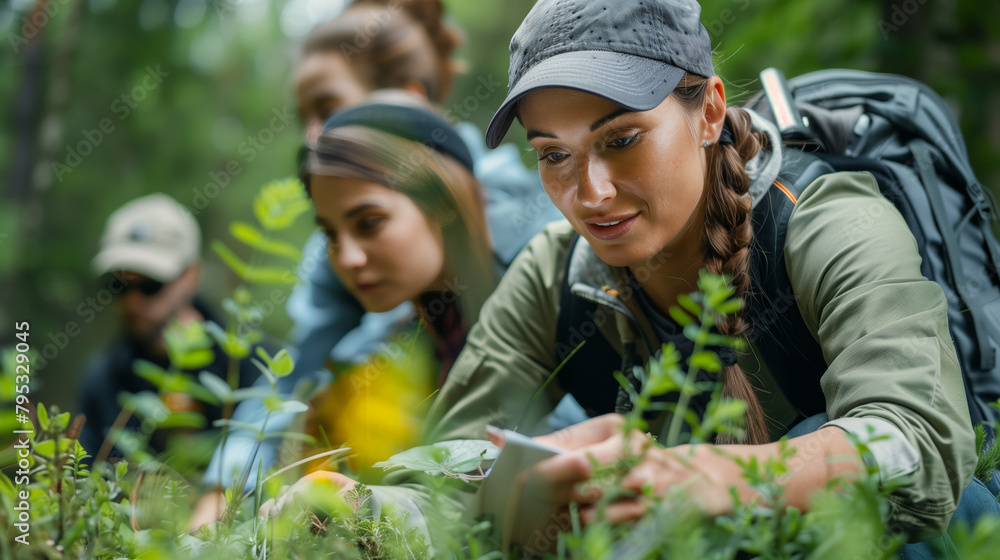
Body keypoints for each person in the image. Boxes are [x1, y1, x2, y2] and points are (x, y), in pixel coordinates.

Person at [270, 0, 991, 555]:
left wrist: (710, 477)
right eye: (554, 155)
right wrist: (358, 512)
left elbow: (920, 442)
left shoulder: (826, 223)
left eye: (621, 140)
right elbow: (452, 475)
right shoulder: (554, 274)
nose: (590, 194)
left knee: (818, 443)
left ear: (709, 112)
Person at [195, 0, 571, 521]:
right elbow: (296, 369)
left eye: (329, 109)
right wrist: (224, 488)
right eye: (305, 118)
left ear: (408, 98)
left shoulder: (536, 222)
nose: (315, 136)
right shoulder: (347, 247)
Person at [76, 193, 261, 461]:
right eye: (118, 285)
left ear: (191, 276)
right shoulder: (103, 377)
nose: (132, 302)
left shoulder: (247, 369)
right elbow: (83, 472)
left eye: (151, 285)